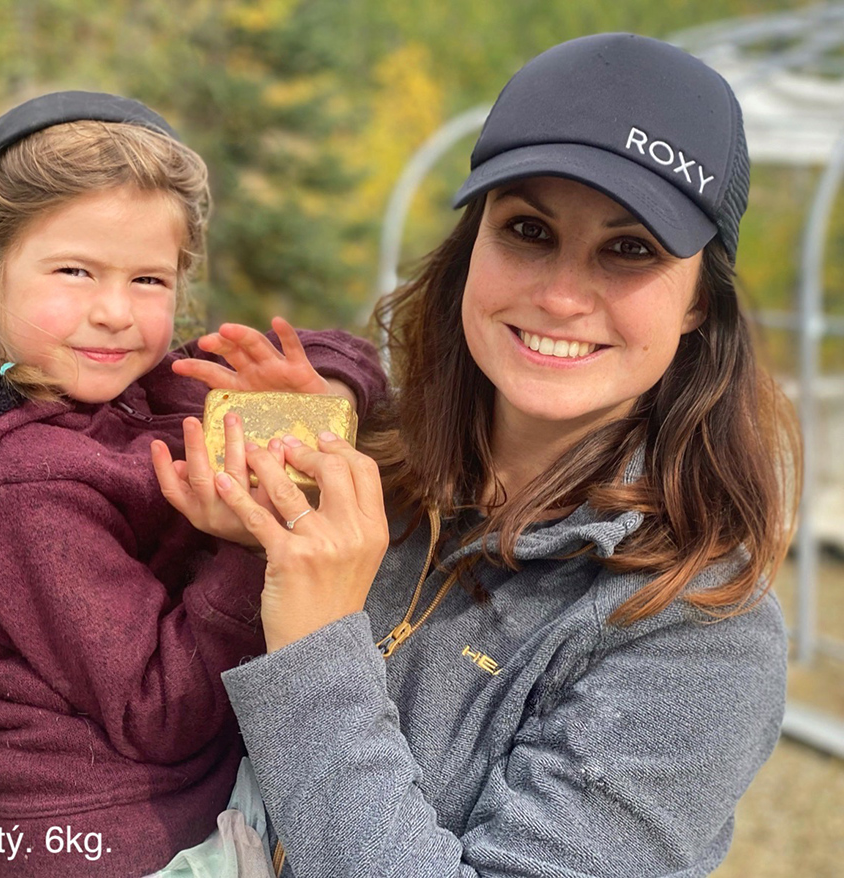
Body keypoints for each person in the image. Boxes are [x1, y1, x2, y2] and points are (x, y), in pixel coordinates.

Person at [155, 33, 801, 877]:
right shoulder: (370, 486)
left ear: (696, 306)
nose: (563, 295)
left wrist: (316, 646)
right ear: (470, 253)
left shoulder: (701, 634)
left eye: (631, 248)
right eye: (528, 229)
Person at [0, 91, 385, 878]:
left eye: (149, 279)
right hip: (125, 850)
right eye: (75, 271)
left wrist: (322, 391)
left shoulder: (122, 384)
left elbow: (340, 352)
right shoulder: (16, 487)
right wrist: (251, 547)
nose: (116, 313)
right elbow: (162, 713)